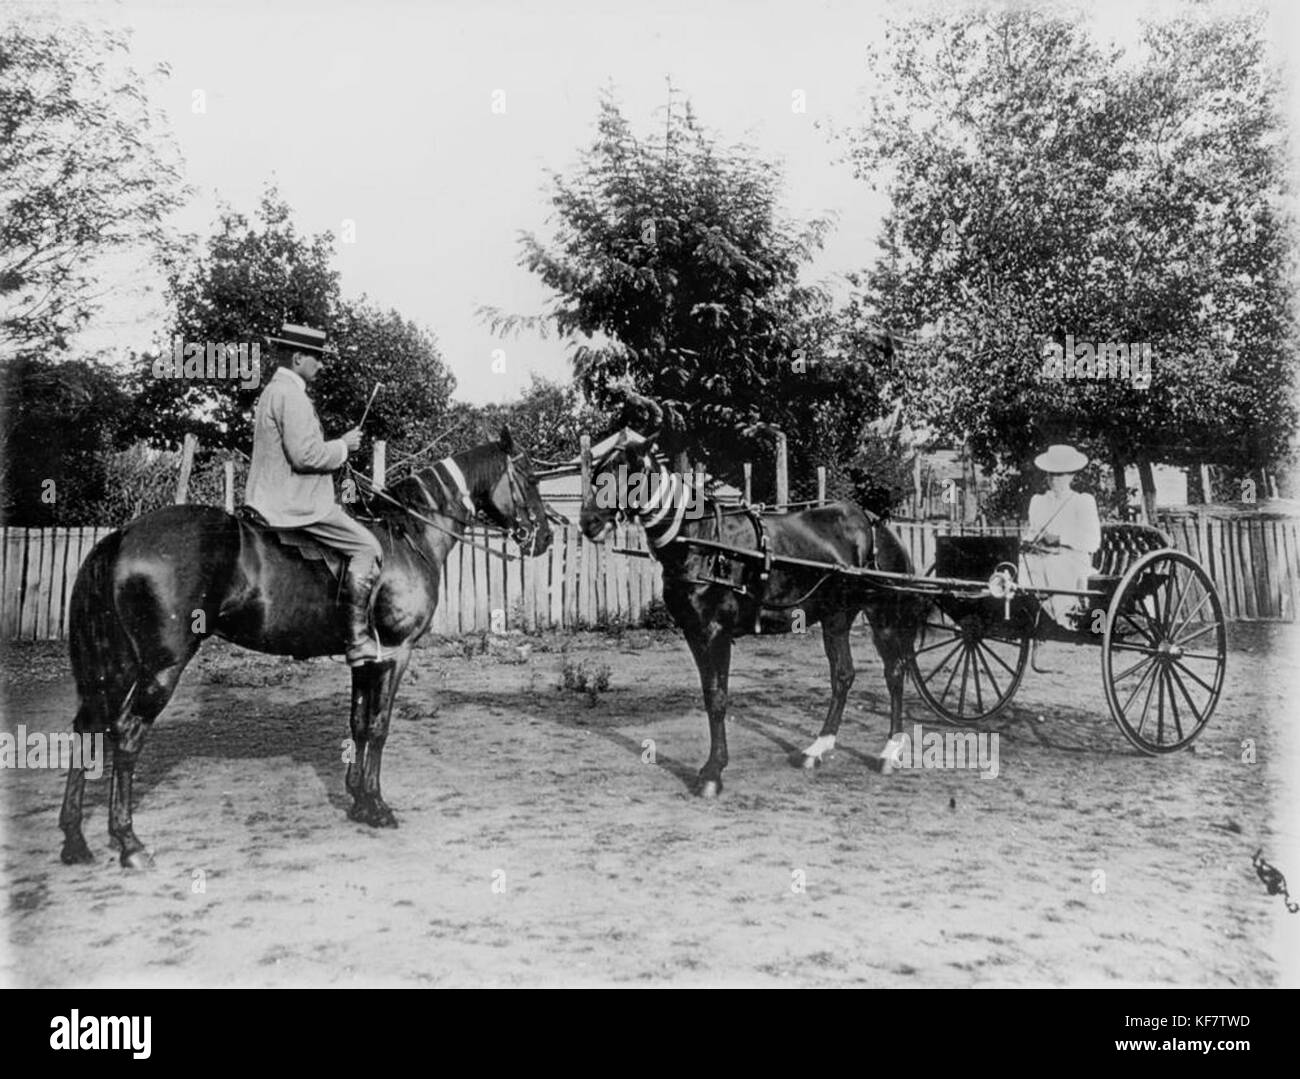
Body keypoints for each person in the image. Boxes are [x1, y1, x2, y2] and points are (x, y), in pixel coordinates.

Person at [245, 323, 384, 665]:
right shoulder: (292, 395)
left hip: (266, 498)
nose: (321, 366)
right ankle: (357, 639)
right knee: (368, 547)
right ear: (297, 357)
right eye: (317, 358)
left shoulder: (272, 391)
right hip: (294, 504)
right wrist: (343, 447)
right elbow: (305, 457)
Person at [1019, 444, 1101, 629]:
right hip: (1040, 555)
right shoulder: (1038, 502)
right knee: (1018, 565)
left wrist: (1059, 539)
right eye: (1050, 473)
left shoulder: (1082, 501)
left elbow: (1093, 541)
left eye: (1059, 474)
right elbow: (1033, 532)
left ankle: (1067, 618)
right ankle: (1028, 614)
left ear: (1071, 475)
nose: (1053, 479)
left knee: (1053, 565)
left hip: (1073, 560)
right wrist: (1029, 541)